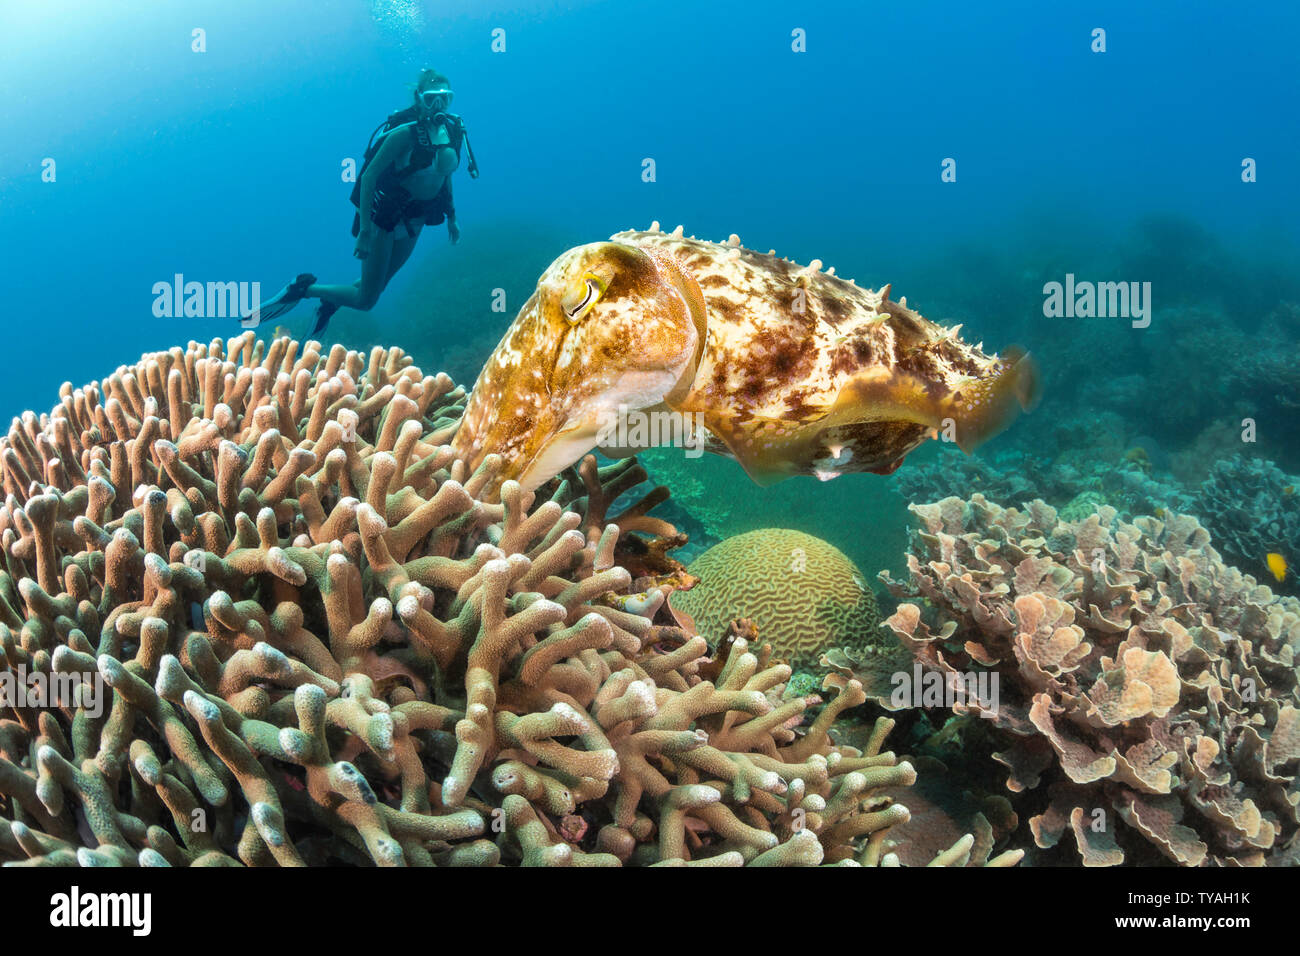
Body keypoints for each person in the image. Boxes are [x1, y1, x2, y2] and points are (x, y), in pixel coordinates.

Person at [244, 68, 478, 336]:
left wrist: (452, 216)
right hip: (386, 220)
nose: (438, 105)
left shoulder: (454, 130)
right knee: (367, 301)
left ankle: (329, 303)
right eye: (431, 99)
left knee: (376, 286)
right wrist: (365, 232)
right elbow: (368, 178)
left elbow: (444, 175)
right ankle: (303, 289)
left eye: (445, 98)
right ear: (418, 99)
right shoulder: (404, 135)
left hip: (417, 218)